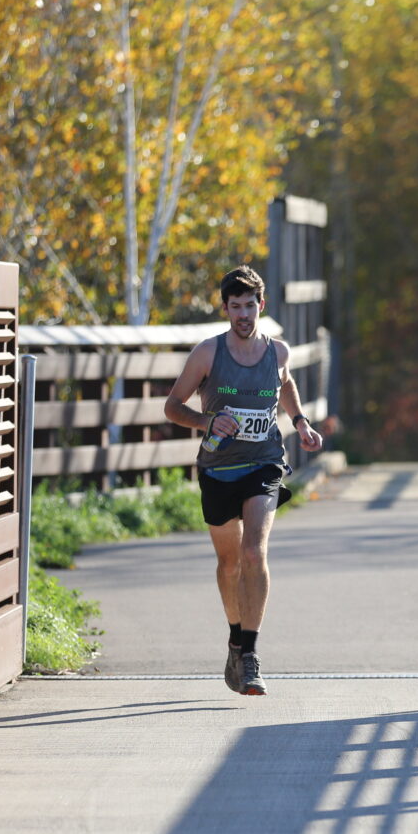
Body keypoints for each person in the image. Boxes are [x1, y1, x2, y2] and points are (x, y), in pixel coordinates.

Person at [164, 264, 323, 695]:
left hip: (264, 462)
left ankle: (250, 654)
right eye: (235, 307)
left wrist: (301, 422)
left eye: (250, 306)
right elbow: (173, 407)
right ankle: (235, 637)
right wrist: (208, 422)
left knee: (254, 552)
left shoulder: (278, 352)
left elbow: (284, 383)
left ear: (261, 306)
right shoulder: (207, 354)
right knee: (229, 563)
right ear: (225, 309)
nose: (243, 315)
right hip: (218, 469)